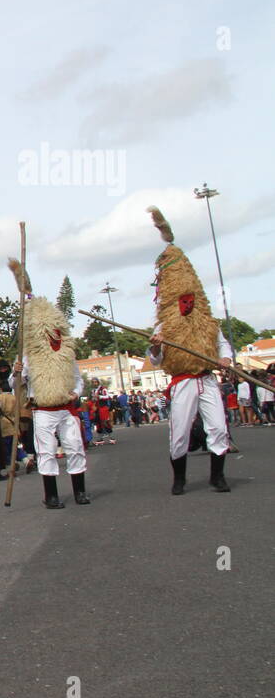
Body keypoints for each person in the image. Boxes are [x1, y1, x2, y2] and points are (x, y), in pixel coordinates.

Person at [145, 207, 233, 494]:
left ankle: (217, 476)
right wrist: (154, 348)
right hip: (182, 382)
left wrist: (225, 359)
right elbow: (155, 360)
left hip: (207, 379)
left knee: (219, 428)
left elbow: (224, 345)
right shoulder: (164, 327)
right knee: (180, 431)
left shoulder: (208, 322)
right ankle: (179, 479)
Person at [8, 257, 89, 508]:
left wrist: (76, 393)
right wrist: (16, 371)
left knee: (75, 447)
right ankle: (51, 495)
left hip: (66, 408)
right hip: (43, 410)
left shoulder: (67, 353)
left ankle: (80, 492)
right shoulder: (30, 357)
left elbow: (78, 380)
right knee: (46, 452)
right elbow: (13, 384)